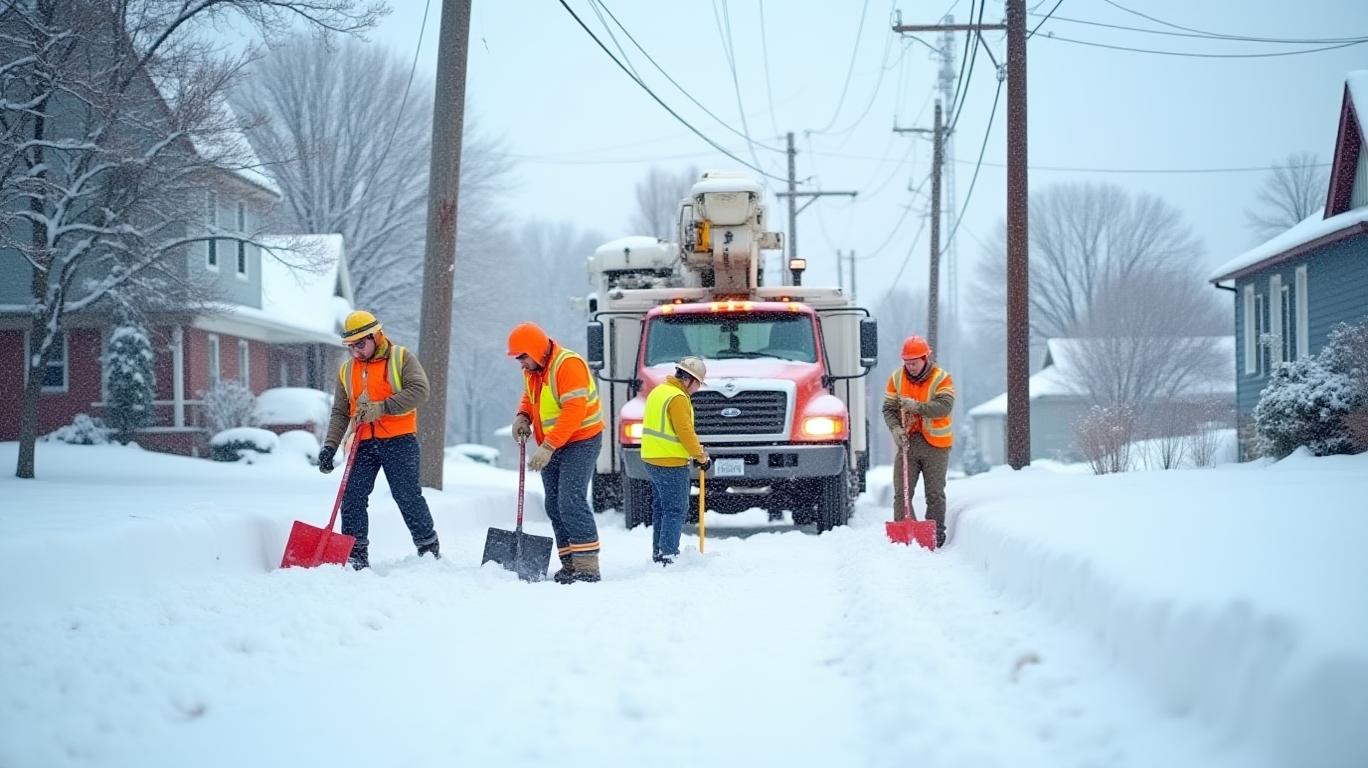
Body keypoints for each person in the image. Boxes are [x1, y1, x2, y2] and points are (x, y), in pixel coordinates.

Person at [318, 310, 439, 570]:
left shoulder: (400, 358)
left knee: (406, 495)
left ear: (376, 336)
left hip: (399, 439)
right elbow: (340, 411)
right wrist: (329, 445)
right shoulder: (347, 370)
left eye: (361, 344)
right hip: (361, 442)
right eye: (351, 347)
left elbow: (420, 391)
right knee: (352, 497)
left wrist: (382, 407)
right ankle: (355, 555)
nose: (356, 352)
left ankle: (428, 548)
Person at [508, 322, 604, 583]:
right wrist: (522, 416)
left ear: (536, 351)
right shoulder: (533, 370)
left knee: (570, 500)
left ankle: (587, 566)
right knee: (553, 504)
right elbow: (531, 397)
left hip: (581, 439)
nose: (521, 363)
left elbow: (574, 411)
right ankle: (570, 562)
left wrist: (548, 446)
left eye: (522, 357)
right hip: (552, 443)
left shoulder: (568, 365)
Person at [882, 335, 955, 548]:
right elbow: (888, 408)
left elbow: (944, 406)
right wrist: (895, 428)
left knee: (934, 493)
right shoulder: (896, 378)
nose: (910, 367)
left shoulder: (941, 378)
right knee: (902, 492)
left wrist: (917, 407)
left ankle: (935, 534)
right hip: (908, 443)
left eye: (914, 362)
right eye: (906, 362)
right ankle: (905, 533)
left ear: (925, 358)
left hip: (936, 446)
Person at [640, 356, 711, 565]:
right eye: (698, 384)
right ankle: (668, 555)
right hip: (670, 461)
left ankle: (659, 553)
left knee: (661, 507)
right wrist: (701, 456)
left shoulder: (659, 392)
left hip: (651, 458)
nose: (697, 389)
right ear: (690, 380)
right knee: (675, 509)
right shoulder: (678, 397)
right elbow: (685, 432)